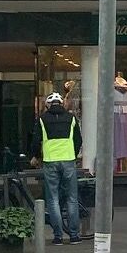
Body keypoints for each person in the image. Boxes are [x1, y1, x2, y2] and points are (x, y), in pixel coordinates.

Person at [30, 91, 82, 245]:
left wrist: (35, 156)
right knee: (72, 198)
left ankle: (58, 236)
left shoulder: (42, 119)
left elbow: (36, 140)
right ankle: (74, 235)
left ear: (48, 104)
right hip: (68, 160)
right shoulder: (71, 118)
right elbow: (78, 139)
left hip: (50, 161)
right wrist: (73, 153)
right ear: (62, 103)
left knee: (53, 199)